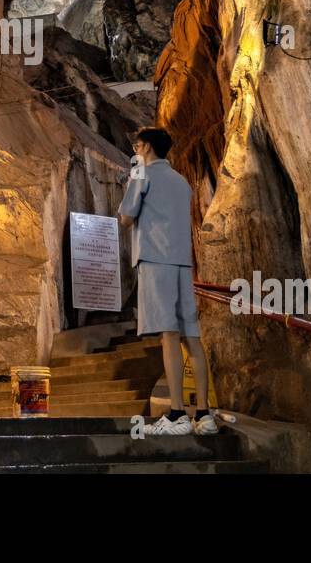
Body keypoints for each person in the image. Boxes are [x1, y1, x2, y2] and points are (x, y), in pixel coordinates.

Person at [118, 127, 218, 436]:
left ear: (146, 147)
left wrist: (134, 175)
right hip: (182, 263)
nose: (136, 149)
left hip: (156, 261)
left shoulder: (142, 173)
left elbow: (126, 215)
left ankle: (176, 414)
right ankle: (204, 414)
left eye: (137, 145)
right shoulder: (181, 181)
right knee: (192, 338)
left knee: (169, 337)